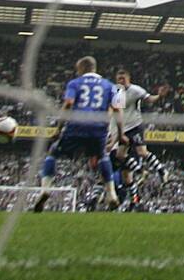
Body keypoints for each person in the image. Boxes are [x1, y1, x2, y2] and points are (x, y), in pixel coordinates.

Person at [34, 56, 124, 212]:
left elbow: (68, 103)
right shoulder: (113, 87)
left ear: (82, 68)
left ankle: (45, 190)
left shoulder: (74, 83)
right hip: (99, 128)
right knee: (103, 156)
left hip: (76, 125)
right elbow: (118, 111)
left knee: (53, 152)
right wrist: (121, 134)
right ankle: (112, 195)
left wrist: (58, 128)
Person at [114, 68, 171, 183]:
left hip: (135, 126)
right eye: (119, 79)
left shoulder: (135, 90)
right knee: (119, 155)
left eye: (123, 78)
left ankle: (162, 170)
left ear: (128, 79)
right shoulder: (116, 91)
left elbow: (149, 99)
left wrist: (159, 96)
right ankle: (141, 171)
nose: (121, 81)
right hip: (123, 129)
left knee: (141, 152)